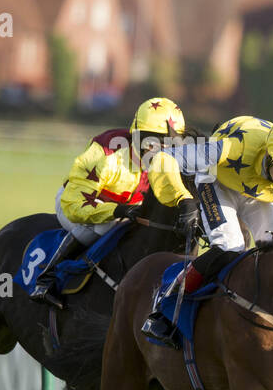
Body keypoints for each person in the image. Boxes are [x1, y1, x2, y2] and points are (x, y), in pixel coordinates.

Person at [141, 115, 273, 344]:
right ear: (268, 155)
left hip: (259, 192)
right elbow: (162, 159)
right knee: (230, 247)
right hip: (217, 179)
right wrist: (182, 199)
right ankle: (167, 306)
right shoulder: (232, 147)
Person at [31, 96, 198, 307]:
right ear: (137, 135)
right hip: (78, 203)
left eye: (170, 144)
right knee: (104, 226)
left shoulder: (168, 162)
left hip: (125, 210)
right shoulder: (107, 151)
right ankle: (47, 276)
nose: (161, 151)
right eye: (154, 142)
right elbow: (74, 204)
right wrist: (117, 210)